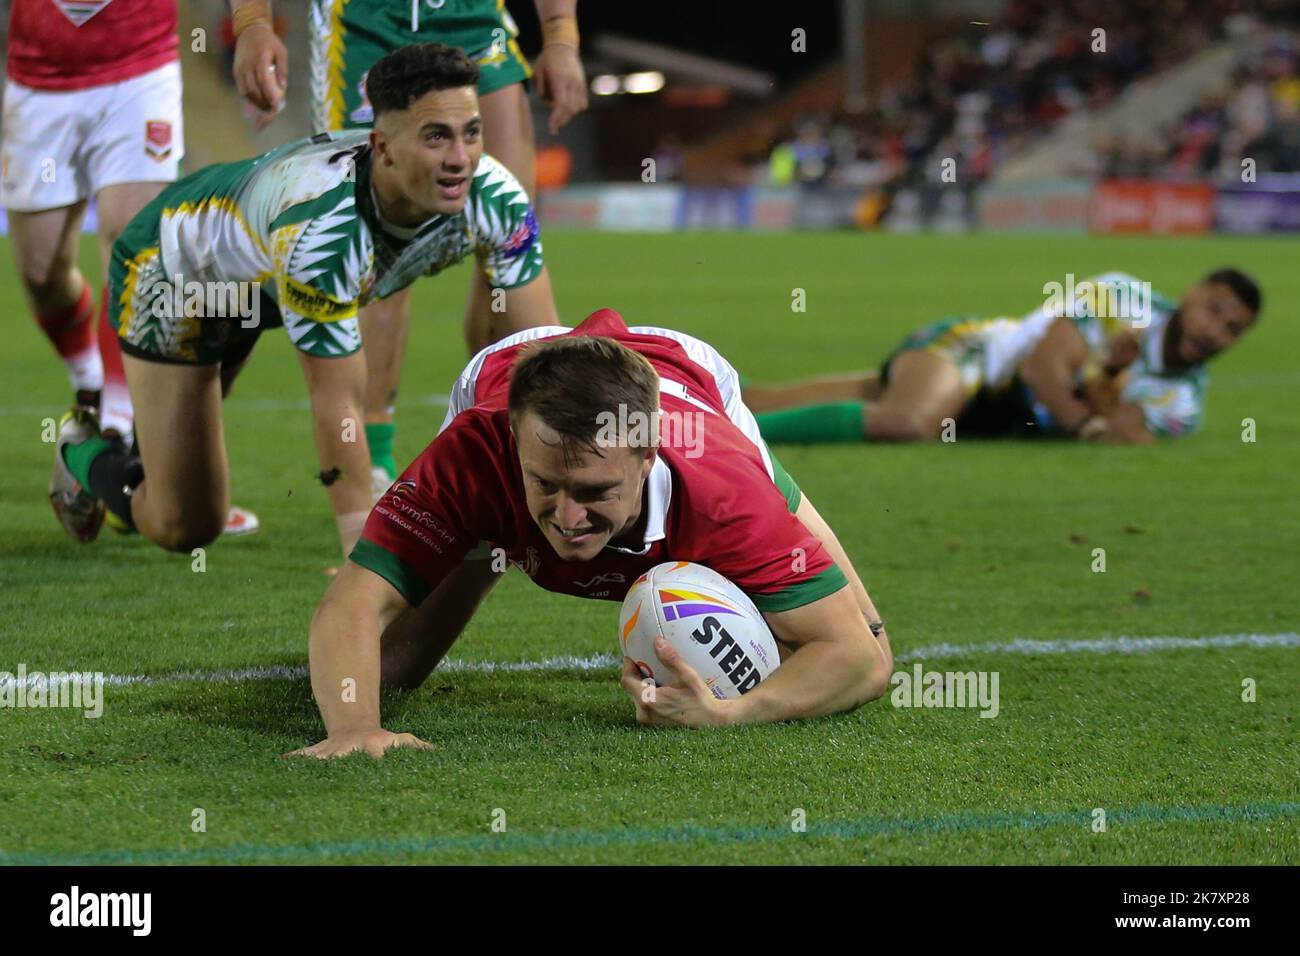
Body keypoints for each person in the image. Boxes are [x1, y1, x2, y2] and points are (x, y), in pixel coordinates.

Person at [289, 308, 893, 759]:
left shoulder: (726, 493)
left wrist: (734, 712)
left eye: (594, 492)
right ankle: (487, 542)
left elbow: (859, 661)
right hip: (508, 369)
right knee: (387, 669)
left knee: (862, 645)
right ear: (512, 448)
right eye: (545, 484)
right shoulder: (475, 453)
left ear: (648, 458)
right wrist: (354, 728)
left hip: (690, 379)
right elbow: (352, 602)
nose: (569, 517)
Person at [49, 43, 559, 562]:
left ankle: (140, 463)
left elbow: (545, 351)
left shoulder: (496, 198)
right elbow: (338, 404)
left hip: (257, 284)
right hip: (174, 279)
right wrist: (364, 560)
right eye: (436, 137)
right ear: (382, 148)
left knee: (168, 459)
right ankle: (84, 454)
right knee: (185, 524)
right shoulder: (323, 234)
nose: (459, 159)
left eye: (470, 133)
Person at [234, 0, 587, 492]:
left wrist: (560, 35)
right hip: (365, 23)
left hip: (476, 21)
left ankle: (499, 438)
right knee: (376, 241)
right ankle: (374, 465)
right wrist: (251, 23)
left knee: (507, 229)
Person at [4, 0, 257, 535]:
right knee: (41, 271)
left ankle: (124, 441)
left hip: (139, 71)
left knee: (135, 245)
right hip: (38, 82)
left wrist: (252, 26)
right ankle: (89, 380)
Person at [746, 269, 1262, 445]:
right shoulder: (1124, 298)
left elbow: (1125, 437)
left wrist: (1103, 375)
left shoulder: (1184, 403)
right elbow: (1042, 369)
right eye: (1214, 310)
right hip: (976, 356)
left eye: (1232, 328)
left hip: (987, 415)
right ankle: (744, 442)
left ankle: (709, 412)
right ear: (1192, 294)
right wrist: (1091, 416)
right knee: (908, 421)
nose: (1215, 330)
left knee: (755, 399)